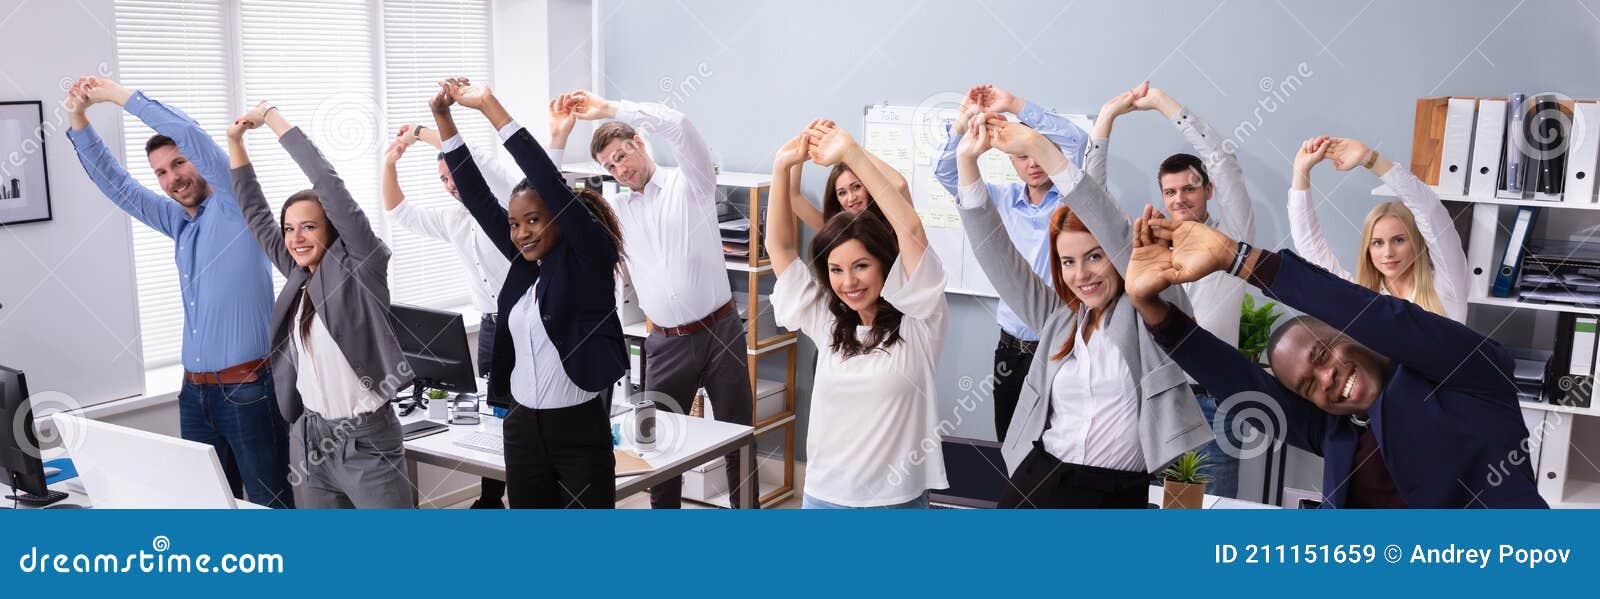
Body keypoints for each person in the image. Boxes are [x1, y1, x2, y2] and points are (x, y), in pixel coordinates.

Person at [1122, 208, 1547, 508]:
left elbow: (1386, 319)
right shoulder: (1337, 431)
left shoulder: (1470, 373)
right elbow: (1241, 385)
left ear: (1353, 333)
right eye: (1308, 385)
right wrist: (1152, 308)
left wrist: (1240, 260)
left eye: (1323, 353)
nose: (1325, 377)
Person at [956, 114, 1209, 508]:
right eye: (1068, 262)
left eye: (1094, 257)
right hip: (1037, 480)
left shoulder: (1152, 309)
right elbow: (997, 256)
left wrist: (1042, 150)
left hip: (1114, 494)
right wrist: (966, 161)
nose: (1081, 275)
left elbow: (1113, 227)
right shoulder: (1059, 320)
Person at [64, 77, 292, 508]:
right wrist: (79, 119)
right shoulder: (179, 223)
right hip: (194, 395)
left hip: (248, 390)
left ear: (200, 163)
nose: (173, 178)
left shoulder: (237, 205)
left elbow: (192, 135)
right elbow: (118, 186)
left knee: (268, 509)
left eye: (180, 164)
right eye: (162, 172)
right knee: (206, 508)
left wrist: (116, 95)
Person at [549, 89, 752, 509]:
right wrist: (559, 137)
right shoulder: (615, 213)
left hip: (721, 331)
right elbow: (556, 208)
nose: (618, 169)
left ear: (639, 145)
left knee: (739, 437)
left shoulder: (691, 182)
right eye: (608, 166)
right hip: (665, 343)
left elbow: (678, 125)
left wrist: (608, 109)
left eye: (621, 157)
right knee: (660, 448)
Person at [430, 78, 628, 509]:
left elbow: (547, 182)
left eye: (534, 220)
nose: (521, 233)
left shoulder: (591, 261)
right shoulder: (524, 267)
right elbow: (477, 197)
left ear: (558, 217)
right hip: (521, 429)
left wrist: (488, 107)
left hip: (578, 430)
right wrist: (443, 121)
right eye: (516, 224)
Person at [229, 101, 414, 509]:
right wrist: (235, 142)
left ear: (332, 228)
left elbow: (327, 182)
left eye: (309, 226)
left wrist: (272, 118)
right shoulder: (297, 274)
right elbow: (255, 213)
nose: (296, 238)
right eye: (290, 229)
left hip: (366, 441)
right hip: (309, 440)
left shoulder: (363, 265)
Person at [766, 121, 949, 509]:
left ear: (885, 264)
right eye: (836, 270)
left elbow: (909, 221)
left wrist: (851, 152)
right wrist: (782, 165)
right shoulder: (826, 318)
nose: (848, 282)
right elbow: (781, 249)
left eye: (861, 266)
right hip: (824, 495)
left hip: (894, 500)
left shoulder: (920, 318)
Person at [1089, 82, 1256, 499]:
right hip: (1155, 401)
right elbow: (1092, 201)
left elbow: (1224, 163)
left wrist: (1165, 105)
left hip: (1213, 404)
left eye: (1190, 188)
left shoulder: (1233, 239)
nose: (1180, 199)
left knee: (1199, 522)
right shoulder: (1147, 248)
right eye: (1170, 191)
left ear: (1208, 191)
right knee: (1138, 513)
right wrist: (1107, 119)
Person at [381, 111, 528, 510]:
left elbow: (476, 158)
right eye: (443, 181)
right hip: (492, 328)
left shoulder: (508, 209)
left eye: (454, 176)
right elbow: (399, 212)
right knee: (491, 414)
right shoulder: (454, 221)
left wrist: (420, 132)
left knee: (527, 414)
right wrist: (390, 163)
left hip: (527, 324)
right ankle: (490, 498)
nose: (451, 186)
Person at [933, 85, 1090, 445]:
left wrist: (1016, 106)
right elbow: (946, 174)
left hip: (1061, 348)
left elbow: (1079, 143)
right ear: (1009, 159)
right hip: (1010, 350)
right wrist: (961, 125)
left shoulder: (1072, 198)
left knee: (1057, 449)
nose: (1032, 164)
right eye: (1021, 156)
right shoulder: (999, 200)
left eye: (1037, 154)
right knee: (1010, 444)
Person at [1289, 136, 1468, 322]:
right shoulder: (1362, 299)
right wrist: (1300, 171)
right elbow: (1310, 248)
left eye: (1399, 240)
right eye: (1377, 243)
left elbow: (1429, 210)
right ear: (1368, 249)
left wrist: (1370, 158)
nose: (1388, 253)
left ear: (1416, 241)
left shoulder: (1448, 285)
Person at [785, 128, 909, 230]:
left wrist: (850, 148)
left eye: (856, 187)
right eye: (842, 193)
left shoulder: (895, 223)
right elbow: (793, 197)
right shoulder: (834, 230)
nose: (851, 198)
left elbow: (900, 185)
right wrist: (804, 145)